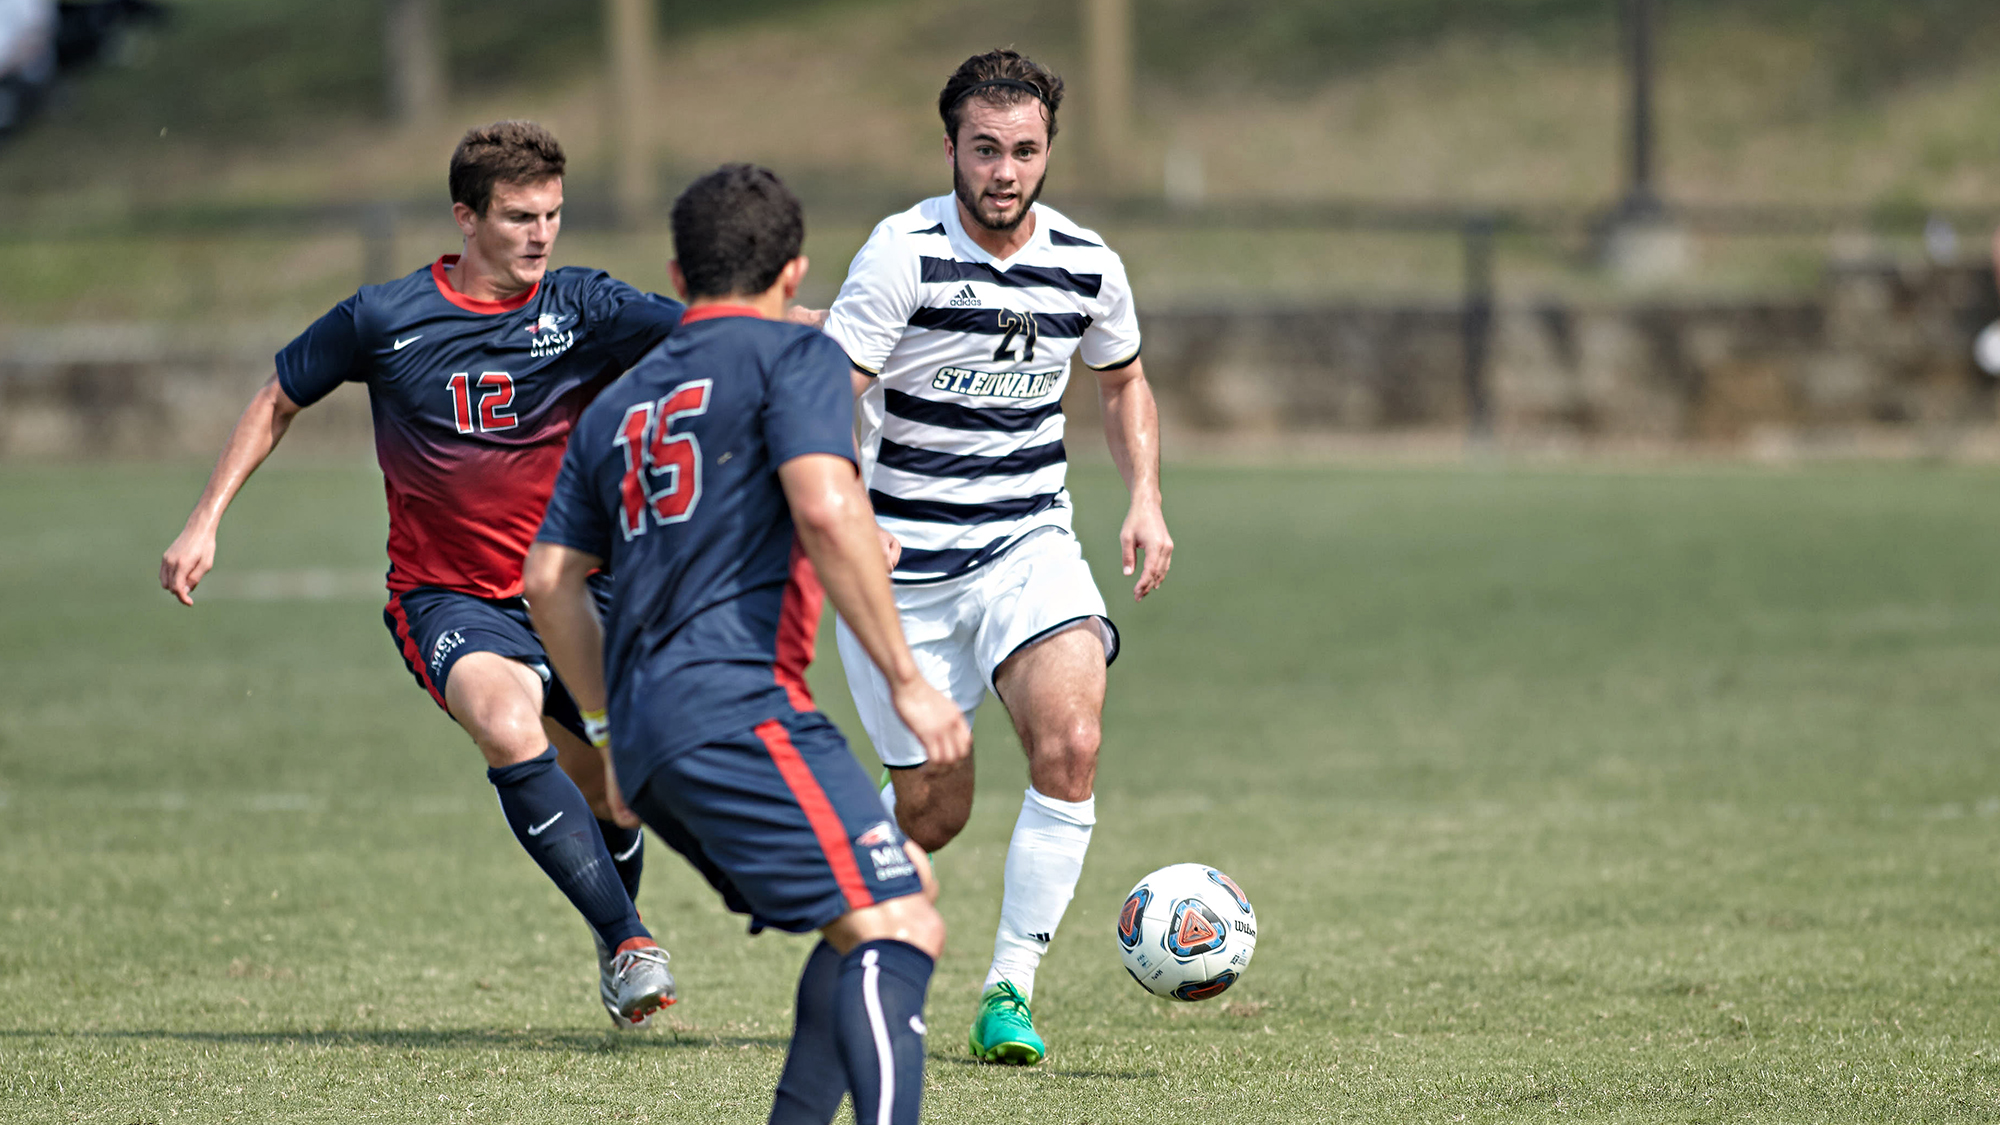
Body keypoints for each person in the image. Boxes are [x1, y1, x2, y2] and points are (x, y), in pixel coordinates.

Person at [159, 121, 683, 1029]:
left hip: (576, 590)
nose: (541, 236)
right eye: (519, 217)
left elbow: (719, 334)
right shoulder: (384, 317)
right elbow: (278, 397)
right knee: (506, 726)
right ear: (465, 217)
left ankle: (613, 928)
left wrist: (838, 333)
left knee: (618, 793)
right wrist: (205, 518)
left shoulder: (586, 306)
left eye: (552, 215)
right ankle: (629, 939)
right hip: (447, 596)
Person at [524, 162, 969, 1125]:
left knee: (883, 904)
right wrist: (907, 680)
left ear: (677, 276)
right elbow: (825, 507)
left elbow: (549, 582)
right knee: (901, 926)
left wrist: (605, 735)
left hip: (649, 735)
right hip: (736, 708)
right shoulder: (794, 355)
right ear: (794, 273)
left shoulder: (617, 405)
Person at [801, 48, 1174, 1065]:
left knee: (1071, 742)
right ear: (950, 150)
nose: (1004, 172)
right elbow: (827, 391)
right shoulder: (902, 254)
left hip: (1025, 545)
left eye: (1023, 151)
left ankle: (1009, 991)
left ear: (1048, 151)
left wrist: (1144, 497)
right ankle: (847, 862)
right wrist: (846, 505)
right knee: (936, 810)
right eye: (983, 150)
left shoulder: (1087, 263)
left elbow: (1122, 381)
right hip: (901, 574)